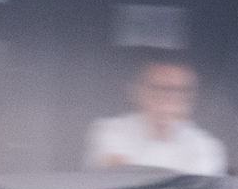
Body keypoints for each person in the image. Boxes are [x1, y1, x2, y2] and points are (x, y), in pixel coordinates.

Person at [84, 59, 228, 176]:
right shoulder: (110, 130)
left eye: (180, 91)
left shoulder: (206, 147)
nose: (169, 98)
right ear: (139, 91)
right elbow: (118, 179)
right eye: (160, 88)